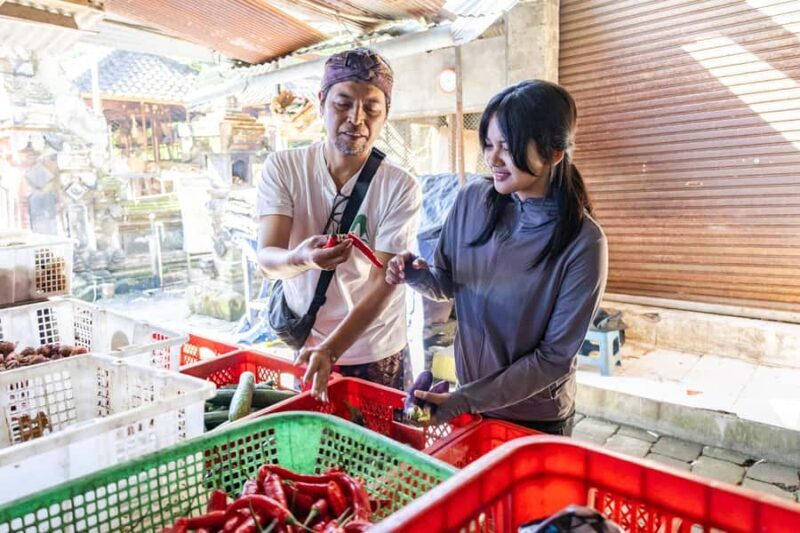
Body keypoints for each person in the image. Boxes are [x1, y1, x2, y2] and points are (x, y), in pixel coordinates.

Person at [386, 80, 608, 436]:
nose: (493, 158)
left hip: (533, 416)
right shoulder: (472, 200)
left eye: (509, 146)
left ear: (553, 153)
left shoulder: (584, 243)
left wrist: (463, 400)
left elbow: (552, 359)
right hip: (470, 398)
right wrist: (416, 276)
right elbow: (447, 283)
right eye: (489, 145)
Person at [257, 48, 421, 399]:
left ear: (385, 114)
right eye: (342, 104)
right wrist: (301, 258)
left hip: (375, 345)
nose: (356, 119)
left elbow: (384, 281)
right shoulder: (284, 168)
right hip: (308, 341)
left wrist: (333, 350)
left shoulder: (399, 186)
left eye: (372, 109)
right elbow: (268, 259)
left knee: (380, 449)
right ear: (321, 102)